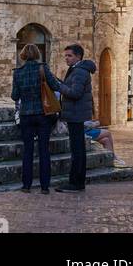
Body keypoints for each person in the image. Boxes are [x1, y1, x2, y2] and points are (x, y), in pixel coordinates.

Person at [11, 42, 61, 194]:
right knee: (44, 150)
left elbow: (14, 96)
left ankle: (26, 186)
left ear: (23, 55)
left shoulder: (18, 72)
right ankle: (44, 187)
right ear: (37, 54)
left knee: (28, 151)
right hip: (43, 114)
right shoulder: (43, 68)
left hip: (26, 115)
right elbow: (55, 86)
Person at [53, 43, 97, 193]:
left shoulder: (79, 71)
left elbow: (75, 93)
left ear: (78, 56)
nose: (66, 58)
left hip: (76, 115)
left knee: (77, 150)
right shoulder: (78, 70)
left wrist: (59, 86)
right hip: (76, 114)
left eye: (69, 56)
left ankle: (76, 183)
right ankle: (77, 182)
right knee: (78, 149)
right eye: (65, 56)